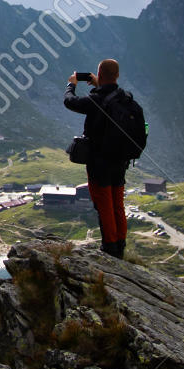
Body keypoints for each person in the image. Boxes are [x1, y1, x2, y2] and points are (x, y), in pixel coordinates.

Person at [65, 58, 134, 258]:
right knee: (117, 203)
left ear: (100, 74)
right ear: (118, 76)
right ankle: (120, 244)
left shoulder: (96, 100)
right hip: (121, 162)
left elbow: (70, 101)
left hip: (99, 163)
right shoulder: (127, 99)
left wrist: (71, 84)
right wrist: (100, 84)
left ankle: (110, 247)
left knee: (104, 204)